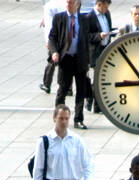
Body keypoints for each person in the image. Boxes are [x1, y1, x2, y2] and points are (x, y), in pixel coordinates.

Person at [50, 0, 91, 130]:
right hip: (65, 59)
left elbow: (86, 41)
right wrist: (54, 52)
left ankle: (78, 119)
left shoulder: (84, 19)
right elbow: (52, 37)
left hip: (80, 59)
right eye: (67, 2)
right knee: (62, 89)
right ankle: (58, 117)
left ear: (77, 4)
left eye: (71, 2)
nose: (69, 4)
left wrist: (88, 61)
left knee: (81, 91)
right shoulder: (59, 18)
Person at [85, 0, 112, 112]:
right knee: (98, 79)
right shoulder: (89, 17)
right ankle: (95, 104)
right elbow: (86, 36)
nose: (107, 9)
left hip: (105, 49)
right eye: (105, 7)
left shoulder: (107, 14)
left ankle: (93, 101)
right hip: (95, 51)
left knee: (100, 78)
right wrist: (99, 36)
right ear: (99, 4)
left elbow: (108, 28)